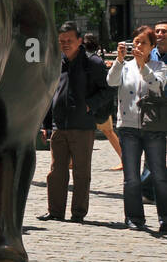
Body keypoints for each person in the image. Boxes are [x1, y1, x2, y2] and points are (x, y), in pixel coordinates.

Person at [39, 22, 111, 223]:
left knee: (81, 172)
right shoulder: (55, 62)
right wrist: (46, 124)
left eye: (69, 40)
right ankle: (55, 212)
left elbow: (107, 90)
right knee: (56, 172)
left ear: (80, 41)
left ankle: (78, 213)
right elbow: (49, 95)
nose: (65, 44)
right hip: (59, 126)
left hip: (82, 127)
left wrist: (90, 105)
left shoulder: (93, 63)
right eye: (61, 41)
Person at [107, 26, 167, 234]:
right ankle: (134, 217)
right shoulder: (124, 66)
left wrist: (143, 66)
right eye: (136, 42)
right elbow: (111, 81)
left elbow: (157, 86)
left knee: (159, 174)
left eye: (143, 42)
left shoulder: (159, 66)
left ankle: (164, 218)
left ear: (152, 46)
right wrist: (119, 60)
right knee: (131, 176)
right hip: (128, 127)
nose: (138, 46)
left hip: (154, 127)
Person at [82, 32, 122, 169]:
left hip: (97, 104)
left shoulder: (92, 60)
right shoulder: (95, 58)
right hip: (100, 103)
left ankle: (124, 159)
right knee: (106, 132)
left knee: (98, 132)